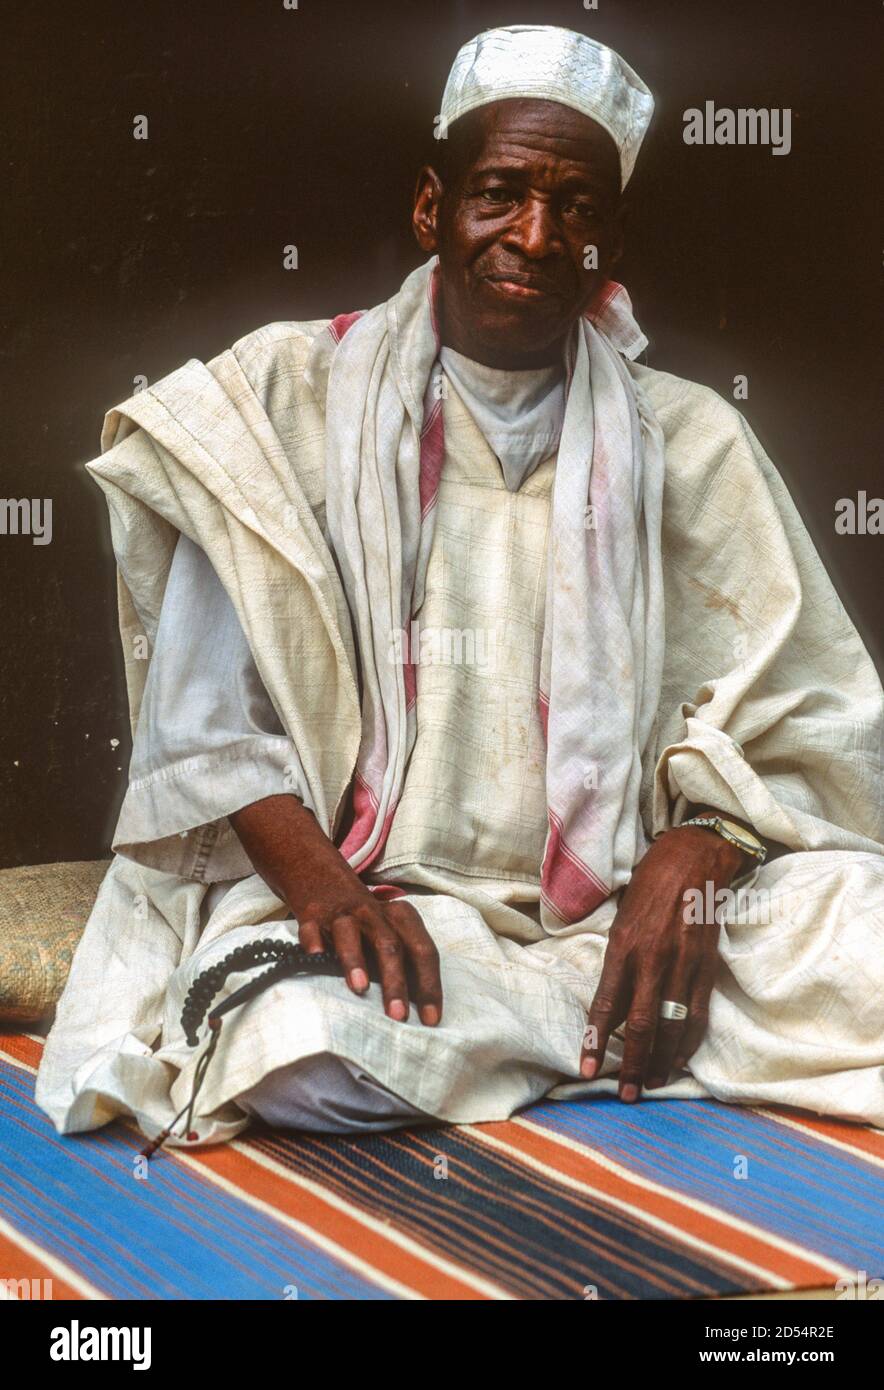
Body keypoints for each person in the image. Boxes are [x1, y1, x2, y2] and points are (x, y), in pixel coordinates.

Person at [37, 25, 884, 1147]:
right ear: (433, 208)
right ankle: (598, 1047)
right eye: (501, 194)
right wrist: (328, 899)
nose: (534, 236)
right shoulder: (279, 400)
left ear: (608, 236)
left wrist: (698, 858)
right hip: (383, 899)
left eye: (575, 207)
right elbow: (208, 729)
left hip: (635, 909)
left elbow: (804, 715)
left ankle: (545, 1038)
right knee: (302, 1042)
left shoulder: (689, 436)